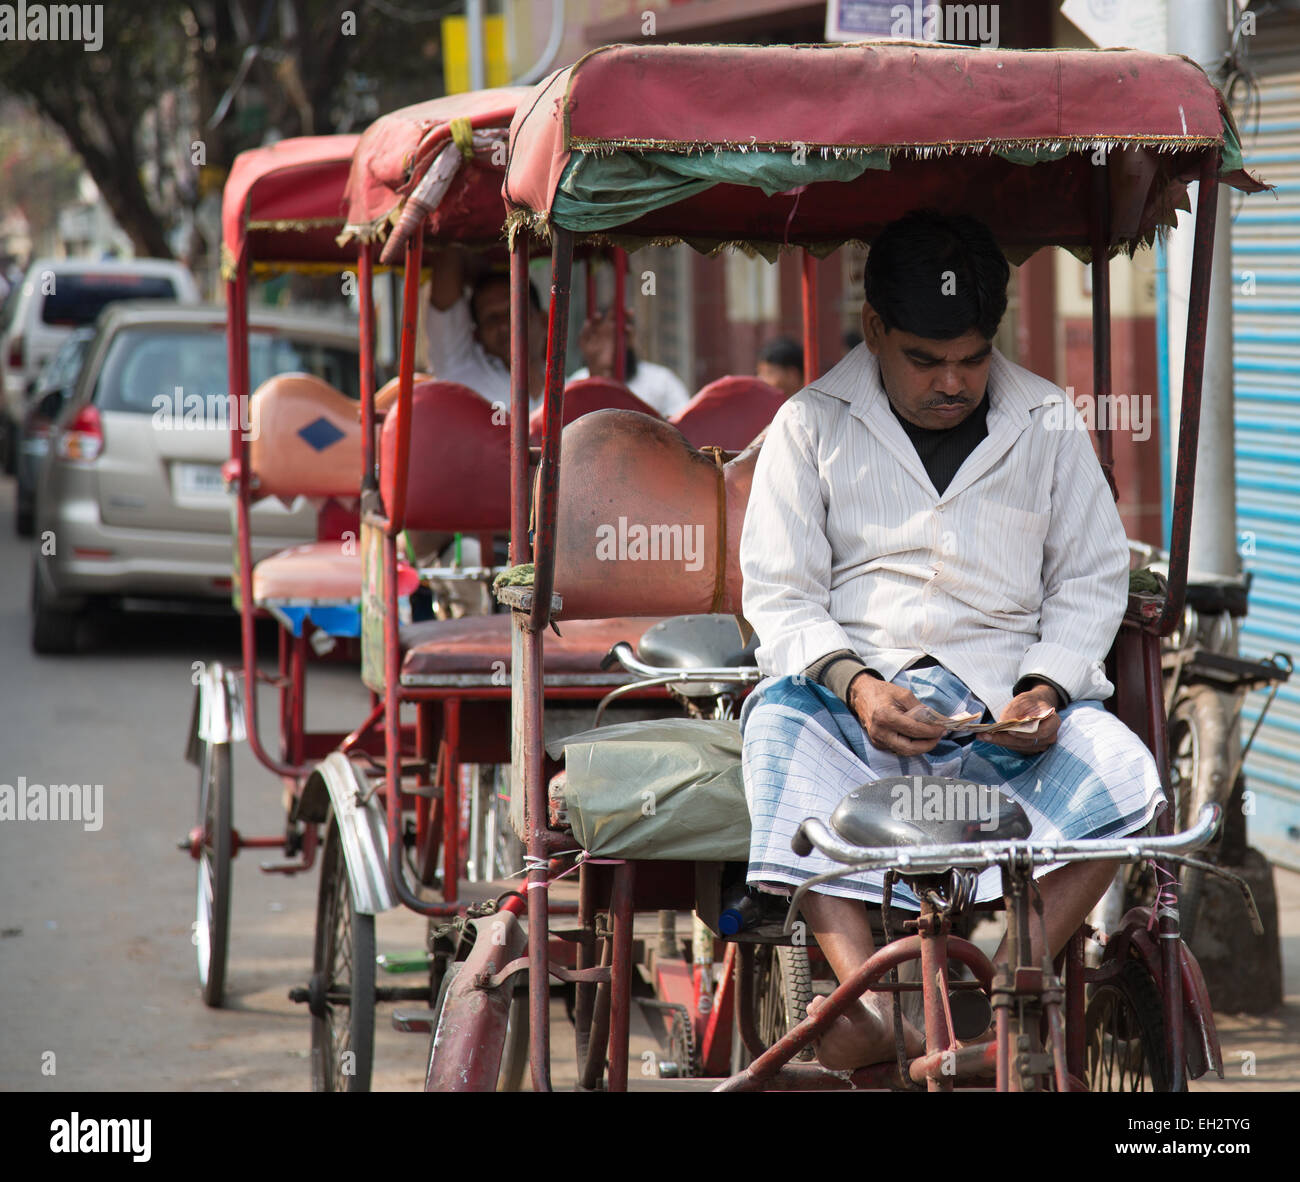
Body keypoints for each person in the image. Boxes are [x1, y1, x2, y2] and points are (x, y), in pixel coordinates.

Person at [738, 209, 1161, 1070]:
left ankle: (999, 1014)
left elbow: (1088, 580)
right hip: (856, 712)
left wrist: (1044, 691)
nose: (951, 384)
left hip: (1003, 720)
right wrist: (856, 686)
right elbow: (780, 597)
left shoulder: (1046, 420)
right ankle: (875, 1009)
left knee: (1128, 775)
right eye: (924, 361)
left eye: (970, 361)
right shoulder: (809, 424)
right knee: (777, 728)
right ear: (875, 329)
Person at [426, 248, 547, 411]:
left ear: (544, 321)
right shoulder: (461, 372)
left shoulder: (570, 388)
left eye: (513, 312)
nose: (504, 325)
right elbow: (448, 251)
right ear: (478, 336)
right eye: (491, 319)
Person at [569, 307, 692, 416]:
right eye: (605, 338)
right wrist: (599, 371)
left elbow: (683, 426)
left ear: (632, 337)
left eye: (618, 336)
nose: (612, 346)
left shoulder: (661, 381)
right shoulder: (578, 382)